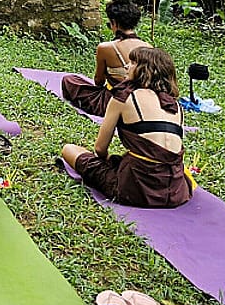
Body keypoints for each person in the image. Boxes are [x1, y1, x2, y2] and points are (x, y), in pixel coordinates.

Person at [60, 46, 193, 208]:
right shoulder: (175, 105)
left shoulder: (123, 96)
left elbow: (100, 149)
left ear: (146, 70)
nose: (126, 66)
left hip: (135, 189)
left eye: (133, 62)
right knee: (122, 160)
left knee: (69, 149)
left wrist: (106, 164)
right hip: (176, 190)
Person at [61, 0, 151, 117]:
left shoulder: (106, 47)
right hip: (141, 103)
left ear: (114, 23)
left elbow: (98, 81)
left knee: (69, 80)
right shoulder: (148, 47)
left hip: (115, 101)